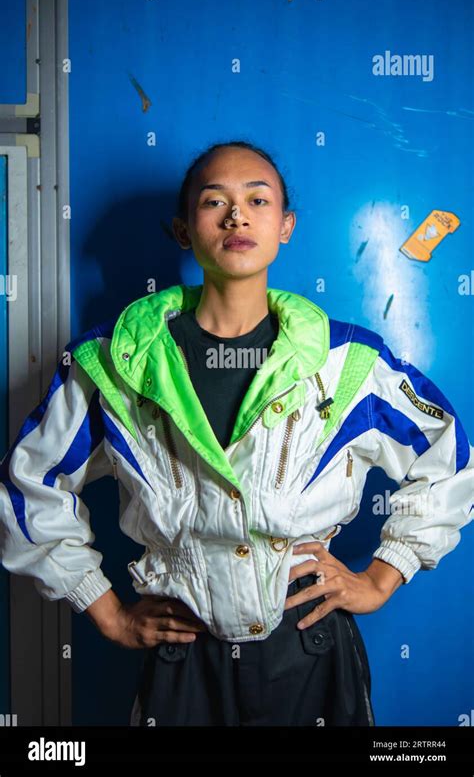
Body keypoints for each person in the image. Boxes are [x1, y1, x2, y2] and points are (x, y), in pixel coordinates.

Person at [0, 141, 472, 727]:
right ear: (182, 230)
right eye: (213, 201)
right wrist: (108, 613)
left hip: (310, 652)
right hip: (182, 661)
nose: (237, 216)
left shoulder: (346, 361)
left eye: (258, 199)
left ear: (286, 226)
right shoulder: (113, 364)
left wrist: (384, 572)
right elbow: (29, 485)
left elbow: (447, 456)